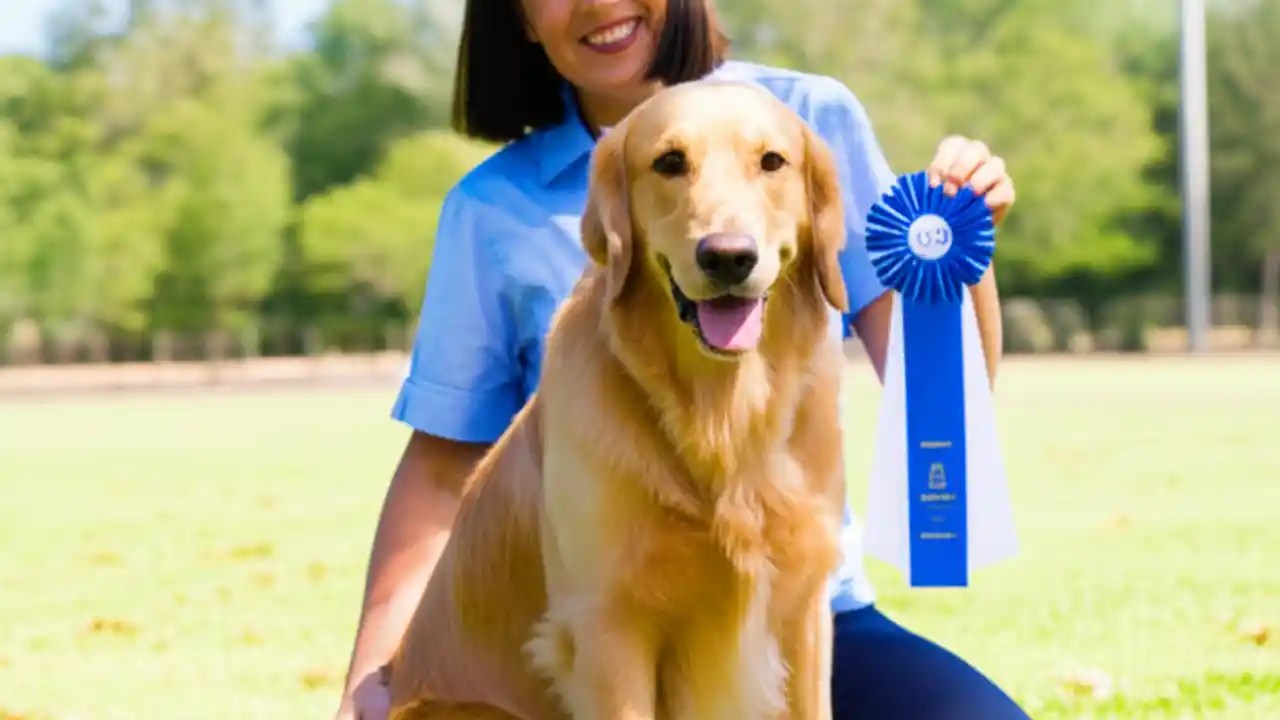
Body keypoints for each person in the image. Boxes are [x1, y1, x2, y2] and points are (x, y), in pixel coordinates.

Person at [334, 0, 1025, 718]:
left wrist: (964, 247)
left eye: (767, 168)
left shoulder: (811, 116)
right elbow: (444, 471)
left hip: (808, 622)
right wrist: (368, 685)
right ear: (517, 19)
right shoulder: (489, 209)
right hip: (589, 656)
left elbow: (935, 399)